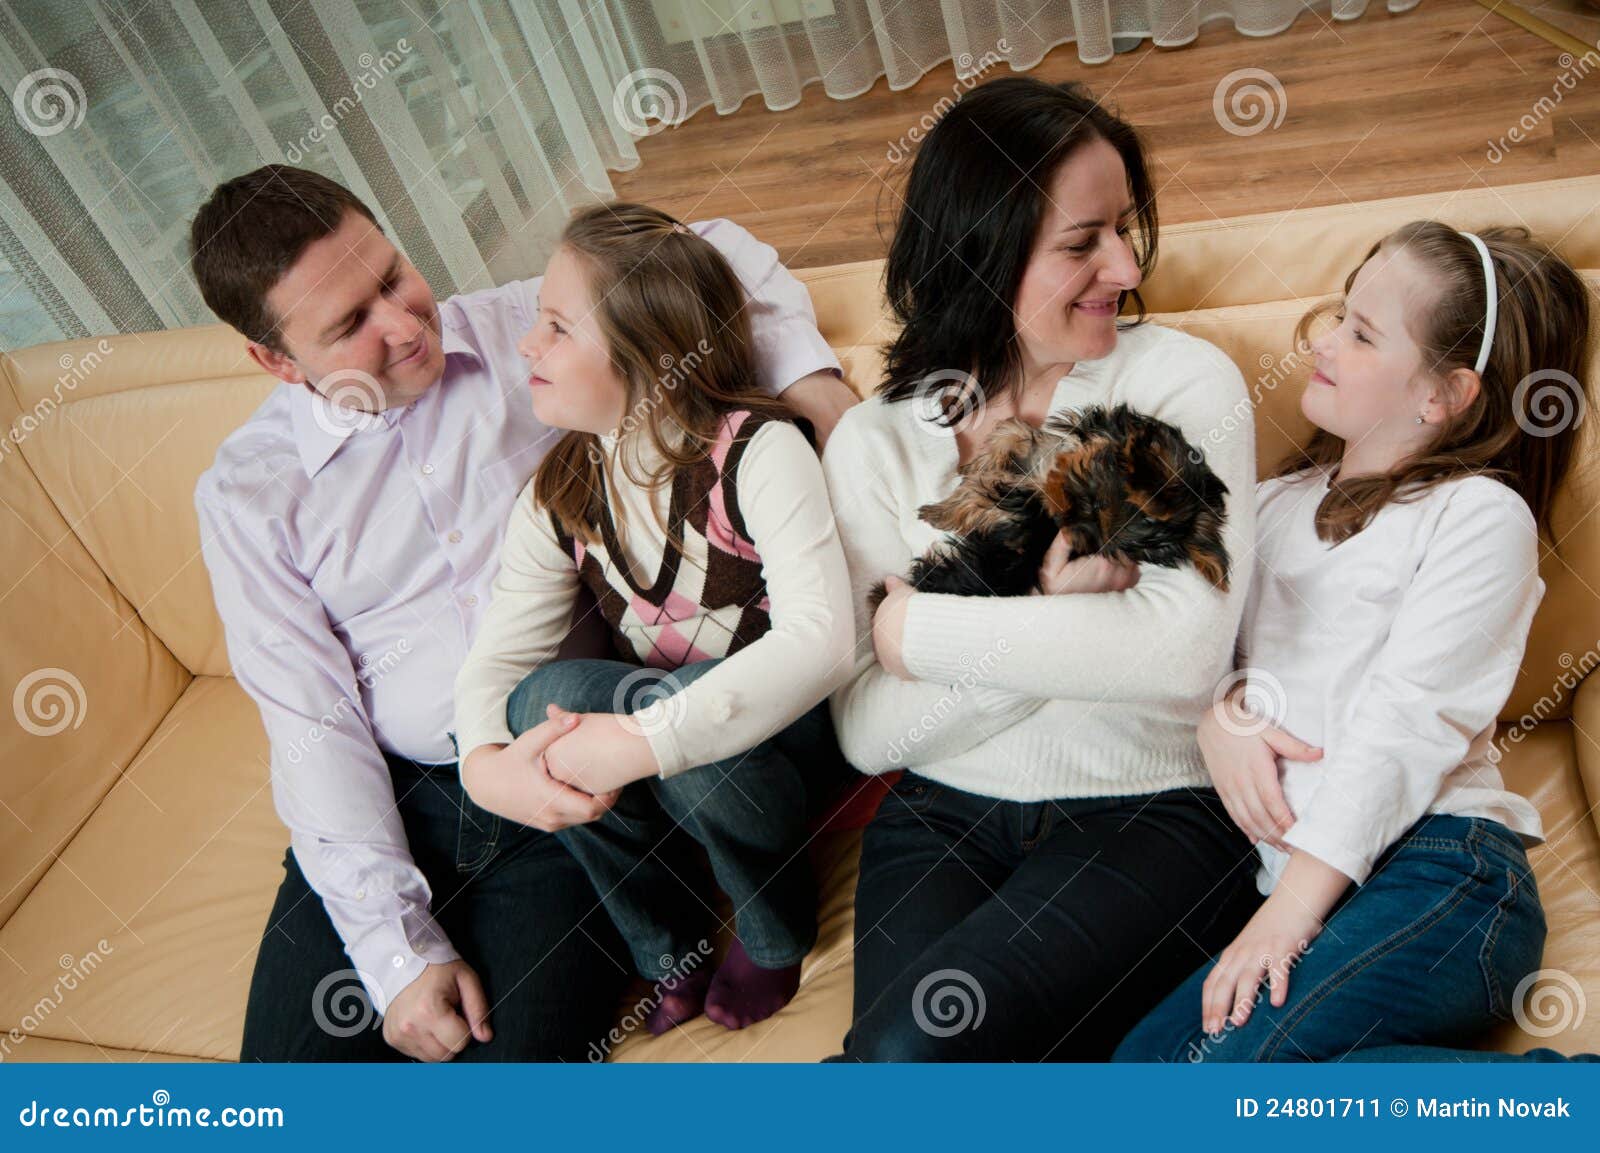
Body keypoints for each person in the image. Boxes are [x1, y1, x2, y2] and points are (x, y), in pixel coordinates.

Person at [190, 165, 856, 1061]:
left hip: (571, 766)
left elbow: (707, 253)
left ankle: (714, 930)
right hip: (395, 794)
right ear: (276, 361)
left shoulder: (533, 330)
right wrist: (395, 955)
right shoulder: (249, 493)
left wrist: (817, 393)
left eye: (392, 276)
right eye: (350, 324)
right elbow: (311, 724)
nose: (403, 325)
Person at [825, 76, 1262, 1062]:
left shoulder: (1182, 387)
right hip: (938, 815)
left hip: (1149, 807)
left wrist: (917, 633)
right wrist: (1040, 612)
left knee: (907, 1059)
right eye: (1082, 242)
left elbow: (1181, 654)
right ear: (982, 254)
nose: (1128, 261)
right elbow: (862, 729)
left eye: (1124, 226)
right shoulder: (873, 439)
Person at [1114, 221, 1591, 1062]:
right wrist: (1217, 714)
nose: (1323, 340)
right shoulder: (1268, 506)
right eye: (1340, 313)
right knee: (1137, 1079)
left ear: (1442, 395)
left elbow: (1406, 723)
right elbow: (1186, 647)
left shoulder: (1479, 514)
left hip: (1443, 872)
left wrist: (1288, 912)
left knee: (1223, 1081)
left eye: (1363, 333)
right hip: (1330, 893)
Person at [454, 204, 855, 1034]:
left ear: (652, 357)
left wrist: (647, 739)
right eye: (537, 324)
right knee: (539, 702)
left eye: (558, 328)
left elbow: (820, 642)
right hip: (666, 754)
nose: (528, 347)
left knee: (680, 720)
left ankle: (774, 928)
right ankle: (667, 939)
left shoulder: (757, 451)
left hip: (781, 746)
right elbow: (498, 663)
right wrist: (484, 767)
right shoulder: (558, 494)